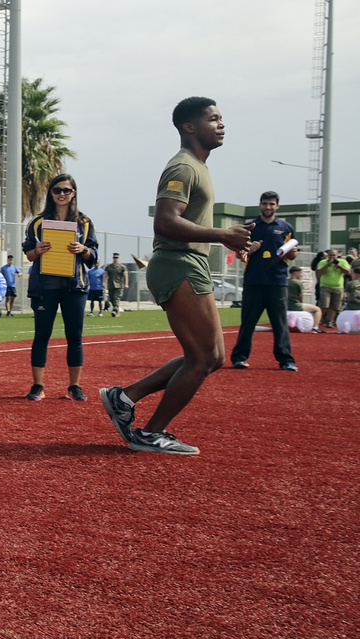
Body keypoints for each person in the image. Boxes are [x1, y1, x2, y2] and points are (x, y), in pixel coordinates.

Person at [99, 96, 252, 455]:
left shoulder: (198, 167)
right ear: (189, 127)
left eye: (221, 118)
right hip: (177, 263)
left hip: (188, 262)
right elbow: (165, 220)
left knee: (212, 357)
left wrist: (232, 241)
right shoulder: (183, 167)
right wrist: (222, 235)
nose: (221, 124)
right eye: (213, 119)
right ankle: (151, 433)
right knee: (202, 358)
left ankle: (125, 397)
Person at [22, 173, 99, 401]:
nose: (62, 194)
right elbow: (28, 253)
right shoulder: (37, 223)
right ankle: (38, 386)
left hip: (75, 286)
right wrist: (38, 251)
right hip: (45, 287)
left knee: (74, 336)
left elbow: (93, 255)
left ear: (74, 192)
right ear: (51, 193)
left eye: (67, 190)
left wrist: (82, 249)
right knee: (41, 336)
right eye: (57, 190)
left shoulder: (84, 223)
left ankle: (74, 386)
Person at [230, 191, 298, 371]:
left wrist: (292, 254)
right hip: (253, 282)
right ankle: (240, 358)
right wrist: (248, 250)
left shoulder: (286, 228)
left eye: (271, 204)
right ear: (260, 205)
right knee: (248, 322)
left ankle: (286, 360)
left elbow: (291, 255)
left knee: (280, 323)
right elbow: (239, 255)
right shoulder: (250, 227)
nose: (268, 207)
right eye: (265, 204)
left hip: (278, 282)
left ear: (277, 206)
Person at [316, 249, 351, 329]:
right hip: (325, 286)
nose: (332, 257)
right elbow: (320, 272)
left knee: (335, 306)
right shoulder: (323, 262)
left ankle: (329, 321)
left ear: (337, 255)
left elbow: (348, 272)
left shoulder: (342, 261)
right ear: (327, 255)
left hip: (338, 286)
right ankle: (318, 320)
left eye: (333, 255)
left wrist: (339, 266)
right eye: (330, 255)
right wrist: (328, 264)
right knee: (324, 305)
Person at [287, 266, 323, 333]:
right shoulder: (297, 282)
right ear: (295, 273)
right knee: (317, 309)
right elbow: (301, 296)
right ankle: (315, 327)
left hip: (286, 305)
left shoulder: (286, 281)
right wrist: (301, 304)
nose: (301, 275)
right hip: (295, 304)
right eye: (300, 273)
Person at [104, 253, 128, 317]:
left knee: (116, 298)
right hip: (111, 285)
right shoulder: (109, 267)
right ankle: (117, 311)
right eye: (114, 258)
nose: (115, 259)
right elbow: (105, 274)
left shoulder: (122, 267)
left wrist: (126, 283)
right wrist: (104, 282)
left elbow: (125, 275)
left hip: (119, 285)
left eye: (116, 258)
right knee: (111, 298)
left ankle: (115, 310)